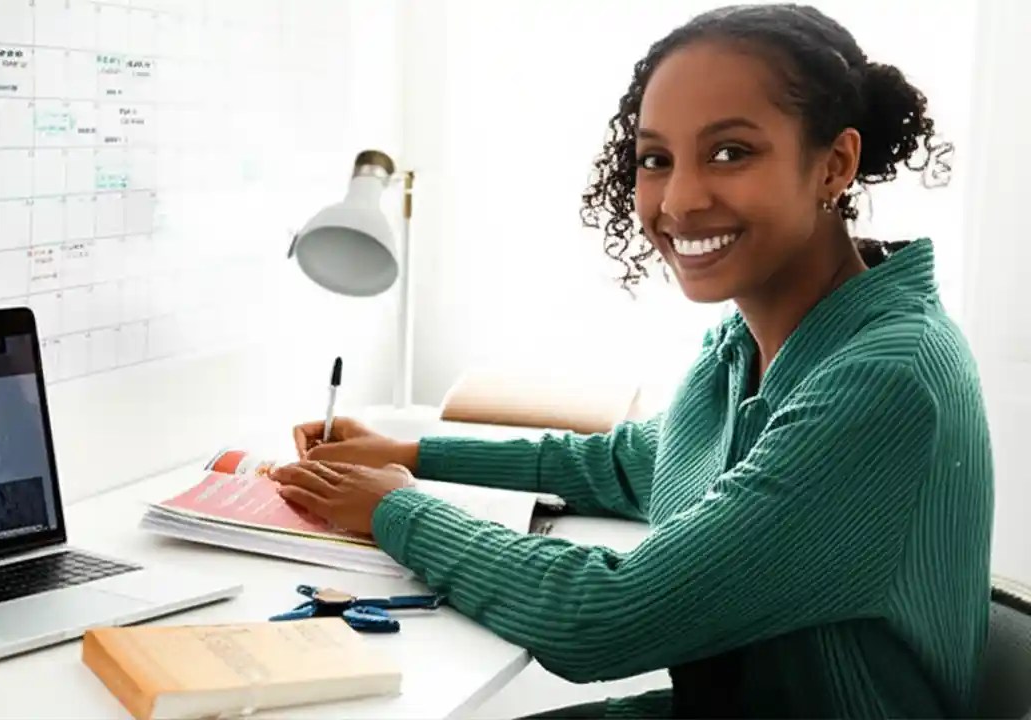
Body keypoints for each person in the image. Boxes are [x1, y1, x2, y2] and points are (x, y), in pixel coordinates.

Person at [270, 4, 994, 717]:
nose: (678, 200)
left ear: (833, 164)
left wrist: (397, 509)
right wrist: (412, 452)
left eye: (730, 152)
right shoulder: (747, 343)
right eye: (656, 159)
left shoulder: (885, 378)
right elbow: (630, 465)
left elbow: (602, 618)